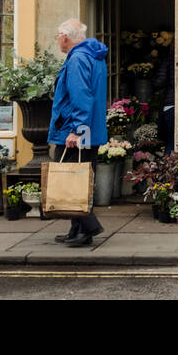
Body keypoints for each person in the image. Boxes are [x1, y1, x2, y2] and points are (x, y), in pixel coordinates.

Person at [48, 19, 109, 246]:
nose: (57, 39)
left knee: (71, 181)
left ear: (65, 37)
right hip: (88, 131)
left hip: (75, 133)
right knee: (79, 180)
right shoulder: (91, 56)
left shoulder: (78, 59)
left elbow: (82, 97)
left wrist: (76, 131)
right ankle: (76, 230)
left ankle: (89, 229)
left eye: (57, 35)